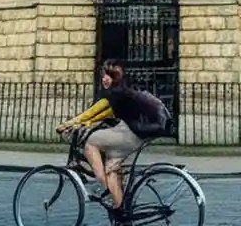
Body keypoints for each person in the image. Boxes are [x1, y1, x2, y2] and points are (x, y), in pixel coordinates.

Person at [56, 61, 169, 222]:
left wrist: (67, 124)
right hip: (142, 130)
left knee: (90, 142)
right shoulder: (123, 92)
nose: (105, 79)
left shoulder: (115, 94)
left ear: (117, 78)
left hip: (133, 131)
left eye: (109, 76)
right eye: (103, 75)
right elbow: (99, 115)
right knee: (111, 166)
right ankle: (121, 212)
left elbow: (91, 113)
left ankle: (106, 190)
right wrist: (82, 124)